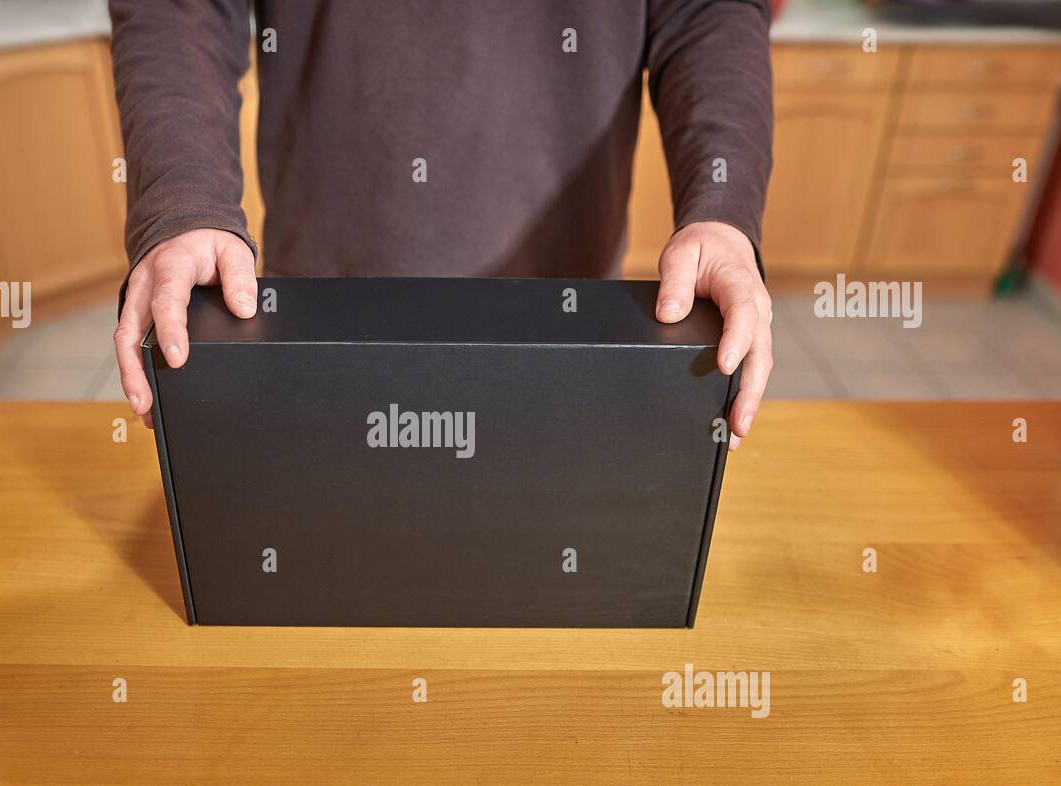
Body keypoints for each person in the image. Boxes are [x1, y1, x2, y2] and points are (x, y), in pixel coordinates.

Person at [110, 0, 773, 449]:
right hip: (317, 318)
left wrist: (722, 207)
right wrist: (184, 200)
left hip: (568, 321)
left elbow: (706, 12)